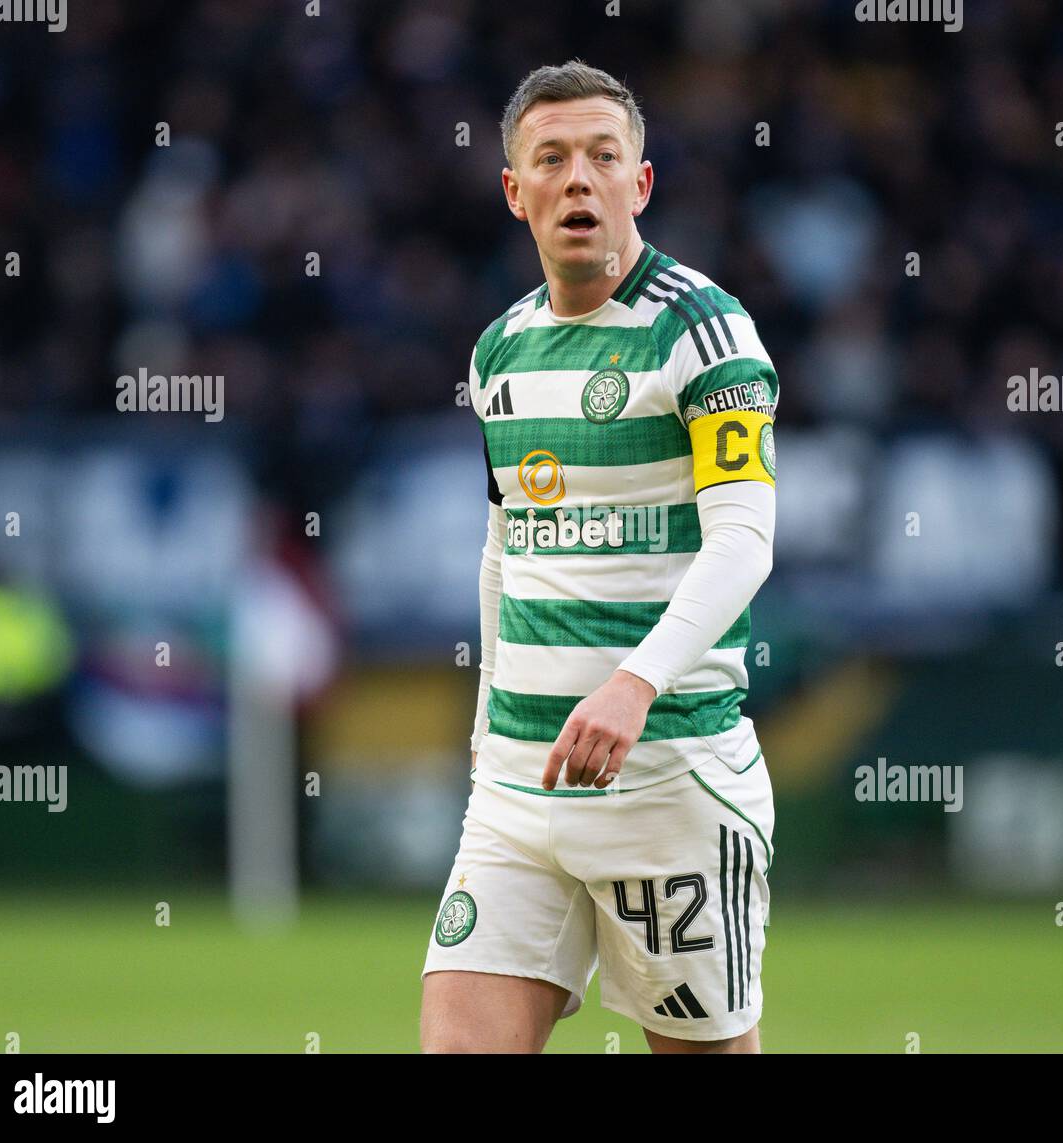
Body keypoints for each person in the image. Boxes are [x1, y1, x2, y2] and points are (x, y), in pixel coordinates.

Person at [421, 59, 779, 1054]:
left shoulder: (703, 333)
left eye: (602, 157)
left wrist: (635, 684)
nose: (578, 179)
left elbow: (745, 538)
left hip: (667, 778)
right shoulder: (499, 353)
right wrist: (486, 730)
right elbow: (504, 548)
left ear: (640, 184)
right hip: (516, 786)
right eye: (553, 159)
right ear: (515, 191)